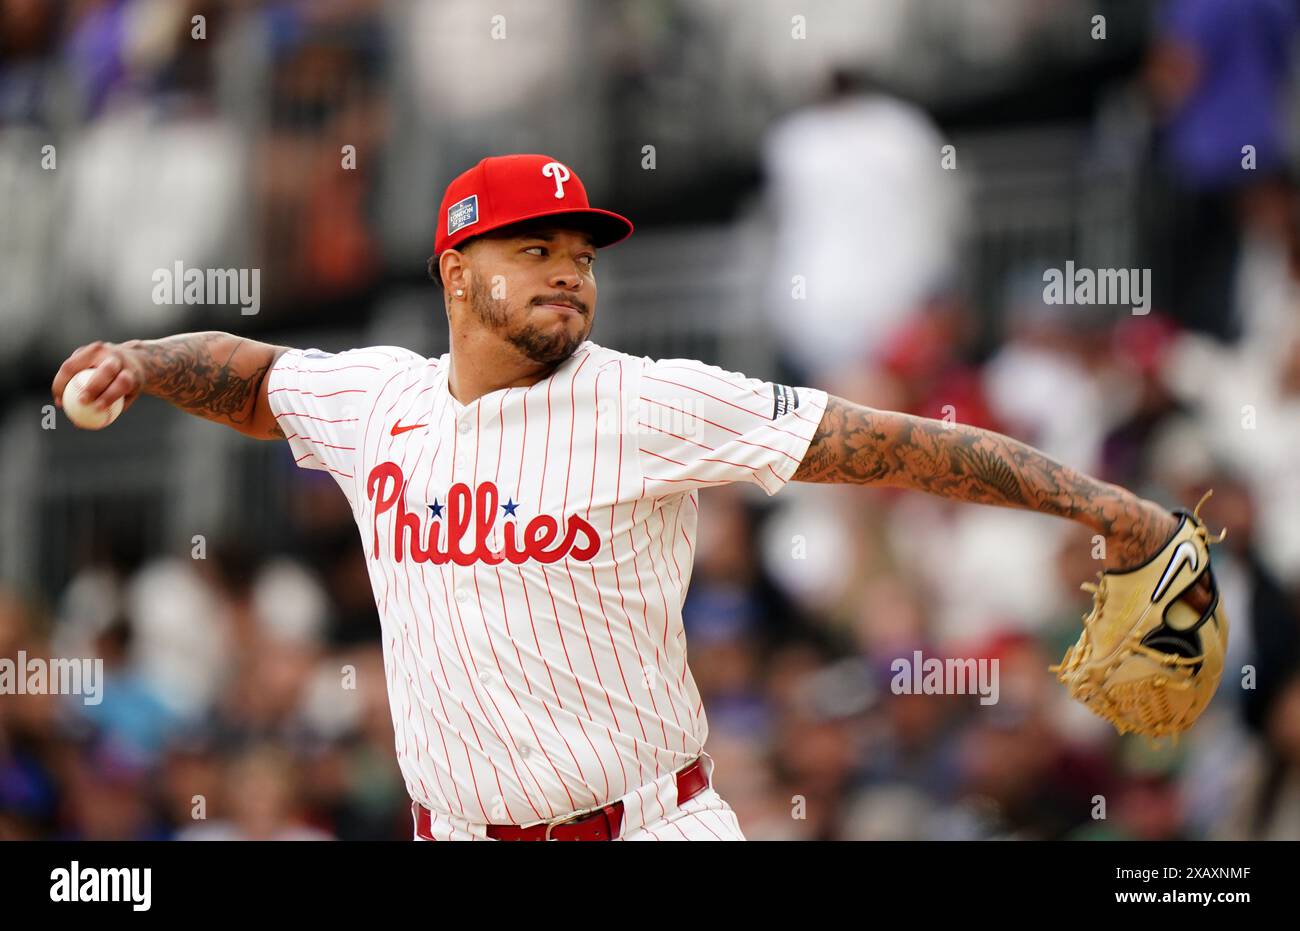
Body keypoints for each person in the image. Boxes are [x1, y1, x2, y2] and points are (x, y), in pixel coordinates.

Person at [51, 153, 1207, 841]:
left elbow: (887, 445)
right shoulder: (375, 402)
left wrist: (1106, 507)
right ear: (455, 272)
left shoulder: (647, 404)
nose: (568, 267)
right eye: (533, 245)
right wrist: (144, 363)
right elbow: (254, 376)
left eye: (582, 250)